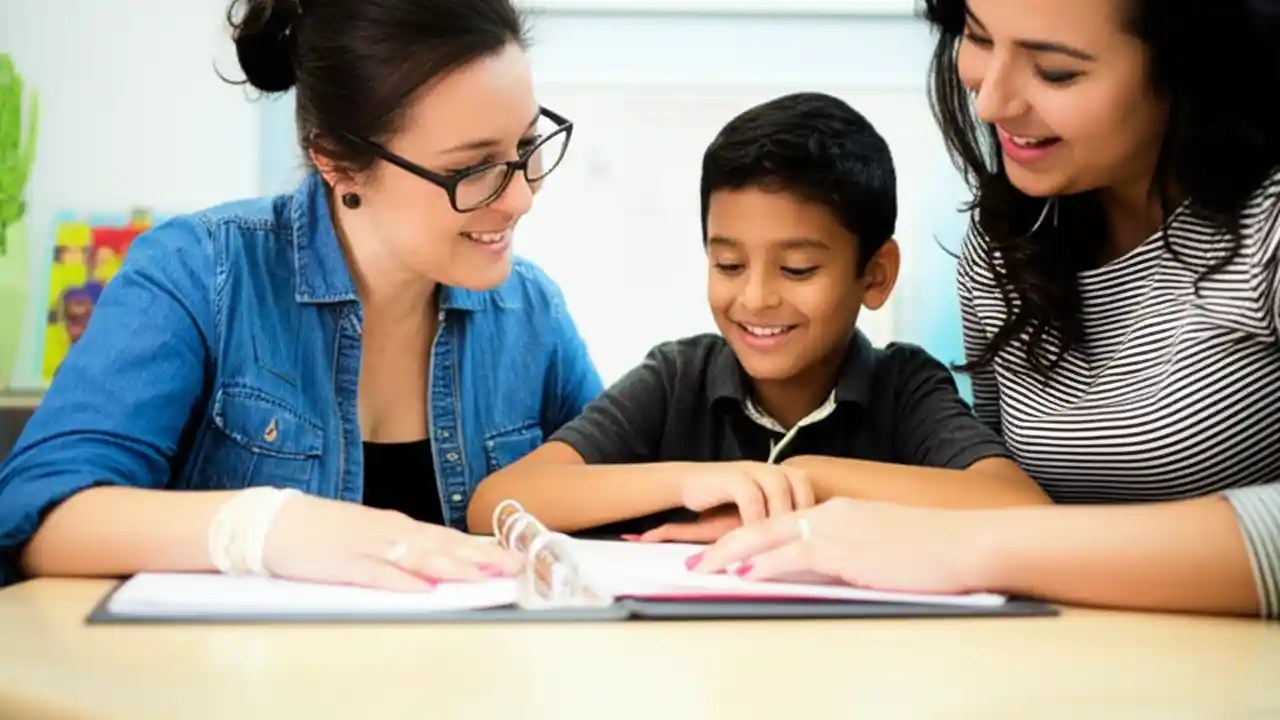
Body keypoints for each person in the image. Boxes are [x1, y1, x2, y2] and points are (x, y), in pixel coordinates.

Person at [692, 0, 1280, 620]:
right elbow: (996, 481)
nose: (990, 103)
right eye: (976, 38)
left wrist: (967, 548)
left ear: (1188, 66)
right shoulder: (1007, 242)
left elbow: (992, 532)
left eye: (1054, 71)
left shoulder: (1266, 224)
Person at [0, 0, 603, 591]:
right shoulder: (198, 274)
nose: (522, 197)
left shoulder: (531, 315)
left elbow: (618, 498)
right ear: (336, 160)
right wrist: (266, 529)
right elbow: (37, 518)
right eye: (474, 168)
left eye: (526, 148)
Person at [468, 92, 1049, 541]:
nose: (755, 298)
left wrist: (804, 482)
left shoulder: (904, 387)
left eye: (797, 269)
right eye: (728, 263)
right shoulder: (678, 378)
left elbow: (1020, 509)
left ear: (875, 275)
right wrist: (692, 480)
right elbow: (498, 502)